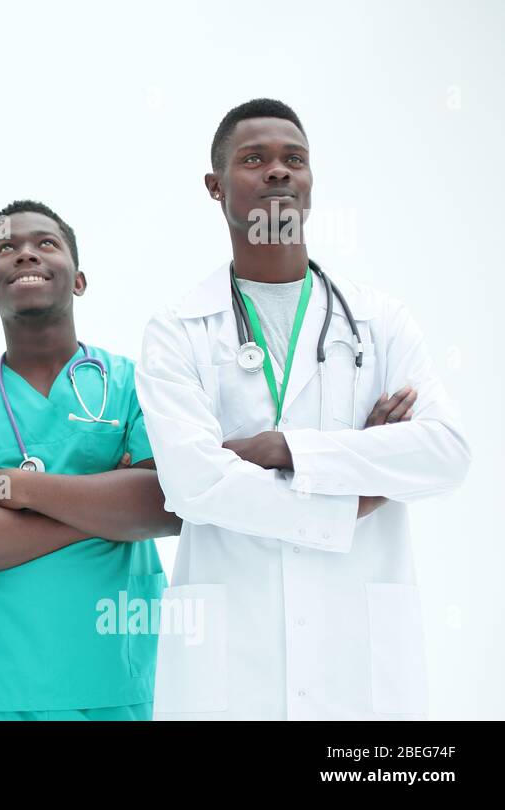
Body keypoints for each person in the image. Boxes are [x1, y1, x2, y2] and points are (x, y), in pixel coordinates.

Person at [135, 99, 471, 720]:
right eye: (253, 159)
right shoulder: (177, 329)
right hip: (233, 670)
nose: (278, 173)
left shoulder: (380, 320)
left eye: (294, 159)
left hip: (359, 671)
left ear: (312, 179)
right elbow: (191, 481)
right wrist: (364, 484)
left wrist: (286, 449)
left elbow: (446, 454)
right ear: (215, 187)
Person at [0, 200, 180, 721]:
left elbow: (168, 505)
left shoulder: (136, 385)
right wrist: (107, 503)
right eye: (6, 248)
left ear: (80, 280)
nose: (26, 255)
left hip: (113, 681)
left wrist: (23, 492)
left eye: (46, 243)